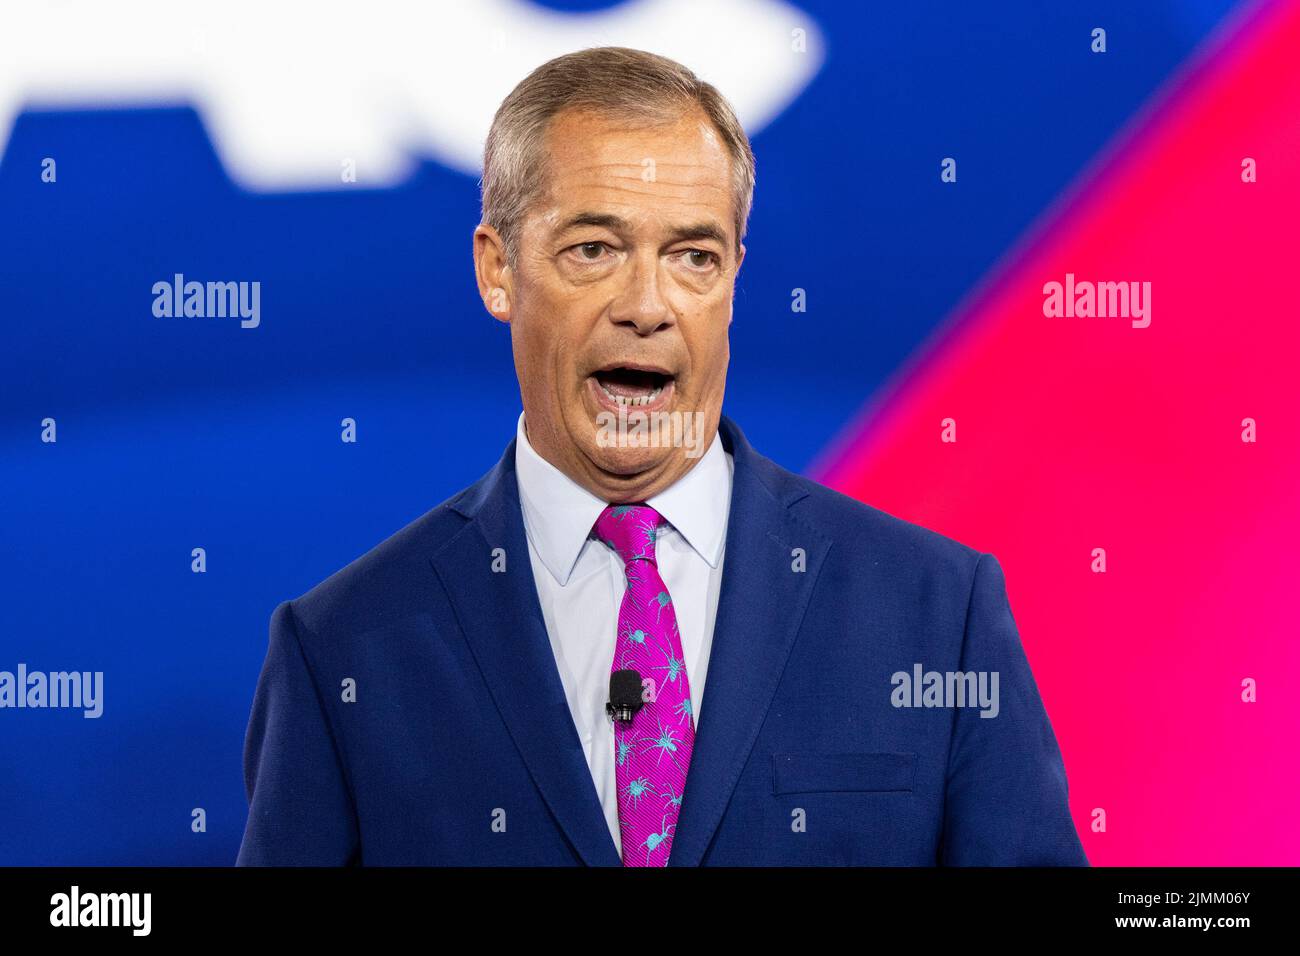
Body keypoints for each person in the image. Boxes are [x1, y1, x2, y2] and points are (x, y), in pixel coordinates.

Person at [237, 46, 1087, 867]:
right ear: (499, 271)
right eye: (594, 250)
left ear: (733, 282)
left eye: (693, 257)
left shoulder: (936, 613)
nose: (647, 306)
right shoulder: (344, 649)